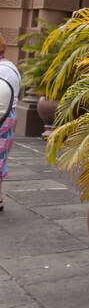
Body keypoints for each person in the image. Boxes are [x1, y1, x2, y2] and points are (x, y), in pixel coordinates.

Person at [0, 34, 21, 213]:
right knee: (0, 158)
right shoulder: (11, 67)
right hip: (10, 115)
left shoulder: (2, 69)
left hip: (2, 116)